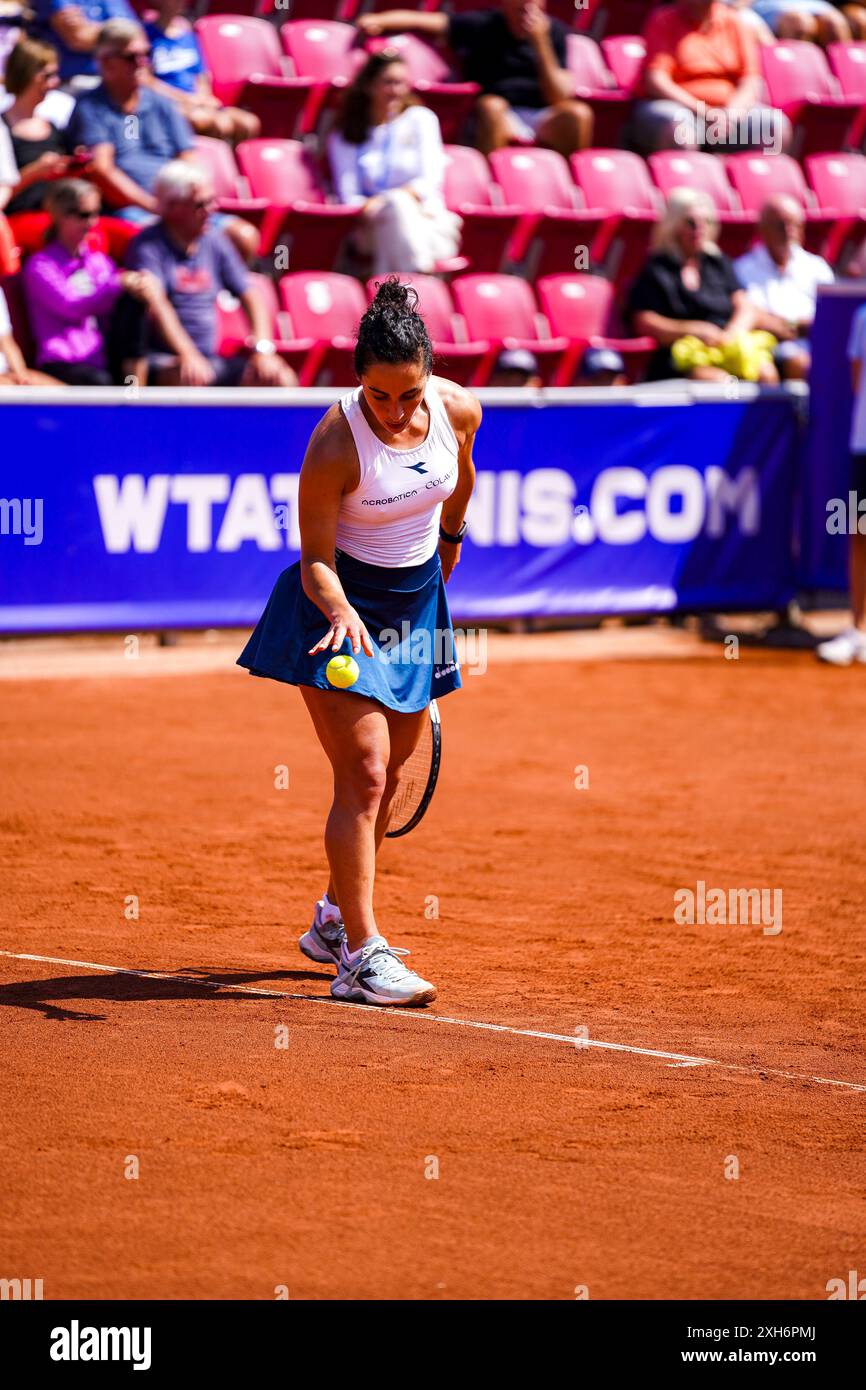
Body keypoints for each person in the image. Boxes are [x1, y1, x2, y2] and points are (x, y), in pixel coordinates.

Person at [237, 278, 481, 1006]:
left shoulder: (458, 409)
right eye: (379, 394)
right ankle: (361, 958)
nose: (395, 409)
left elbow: (462, 475)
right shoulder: (336, 442)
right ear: (358, 381)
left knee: (393, 772)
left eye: (409, 394)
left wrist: (451, 536)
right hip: (337, 609)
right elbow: (315, 558)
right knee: (368, 773)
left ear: (429, 375)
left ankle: (332, 921)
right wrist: (342, 608)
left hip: (416, 605)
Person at [67, 19, 258, 261]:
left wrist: (189, 203)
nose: (142, 63)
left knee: (242, 236)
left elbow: (188, 159)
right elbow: (101, 169)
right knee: (159, 241)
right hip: (130, 210)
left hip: (178, 206)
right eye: (131, 57)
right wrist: (152, 205)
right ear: (106, 61)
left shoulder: (162, 104)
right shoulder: (90, 107)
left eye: (146, 55)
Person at [123, 160, 296, 387]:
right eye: (200, 204)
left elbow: (250, 295)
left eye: (212, 201)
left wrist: (263, 350)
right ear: (172, 207)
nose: (211, 209)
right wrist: (188, 354)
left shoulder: (215, 240)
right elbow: (157, 306)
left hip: (209, 360)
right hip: (166, 359)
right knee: (189, 377)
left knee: (279, 378)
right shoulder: (147, 245)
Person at [356, 0, 592, 157]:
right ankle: (492, 183)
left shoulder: (554, 32)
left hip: (541, 115)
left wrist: (541, 44)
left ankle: (563, 187)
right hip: (496, 114)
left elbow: (560, 96)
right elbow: (422, 20)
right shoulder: (482, 24)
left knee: (578, 114)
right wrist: (380, 20)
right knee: (492, 106)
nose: (528, 7)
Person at [22, 177, 169, 383]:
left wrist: (138, 285)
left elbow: (116, 304)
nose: (92, 223)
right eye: (83, 215)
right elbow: (71, 307)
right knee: (100, 382)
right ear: (59, 215)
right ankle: (131, 388)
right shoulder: (41, 265)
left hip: (101, 357)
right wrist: (119, 283)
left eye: (95, 213)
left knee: (133, 301)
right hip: (64, 361)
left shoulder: (98, 261)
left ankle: (135, 389)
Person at [328, 51, 461, 276]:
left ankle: (404, 279)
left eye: (401, 83)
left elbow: (430, 181)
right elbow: (349, 196)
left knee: (398, 206)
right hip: (372, 223)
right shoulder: (345, 135)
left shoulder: (421, 119)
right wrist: (387, 204)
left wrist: (393, 200)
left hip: (424, 220)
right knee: (394, 209)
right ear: (369, 86)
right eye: (388, 83)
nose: (395, 90)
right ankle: (418, 275)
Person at [627, 187, 779, 382]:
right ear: (674, 225)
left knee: (767, 374)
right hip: (681, 356)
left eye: (706, 222)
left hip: (727, 346)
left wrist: (732, 333)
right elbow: (644, 322)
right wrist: (692, 330)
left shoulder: (718, 263)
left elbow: (745, 306)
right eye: (691, 223)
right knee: (721, 382)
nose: (699, 229)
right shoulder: (657, 268)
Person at [633, 0, 790, 155]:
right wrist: (705, 112)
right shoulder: (664, 20)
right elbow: (656, 80)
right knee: (679, 129)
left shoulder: (735, 22)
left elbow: (750, 81)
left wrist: (730, 115)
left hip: (728, 113)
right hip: (682, 108)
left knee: (774, 126)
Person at [733, 194, 833, 380]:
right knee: (796, 364)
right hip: (763, 350)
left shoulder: (817, 267)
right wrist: (788, 326)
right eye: (780, 225)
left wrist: (788, 325)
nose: (788, 231)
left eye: (794, 225)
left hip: (814, 347)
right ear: (762, 229)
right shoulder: (741, 269)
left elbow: (829, 318)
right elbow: (747, 318)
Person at [816, 303, 866, 665]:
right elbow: (857, 378)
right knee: (860, 533)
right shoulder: (864, 317)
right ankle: (859, 630)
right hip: (864, 446)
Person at [143, 0, 259, 144]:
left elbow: (202, 76)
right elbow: (146, 80)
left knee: (248, 123)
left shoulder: (188, 36)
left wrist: (204, 97)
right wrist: (184, 99)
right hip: (171, 103)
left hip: (197, 101)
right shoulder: (145, 35)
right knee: (213, 124)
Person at [27, 0, 138, 89]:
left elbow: (136, 35)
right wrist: (120, 31)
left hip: (119, 79)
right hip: (74, 83)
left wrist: (122, 33)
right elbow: (79, 38)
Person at [0, 281, 63, 383]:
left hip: (6, 374)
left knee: (59, 388)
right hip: (4, 378)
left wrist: (22, 376)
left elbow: (7, 342)